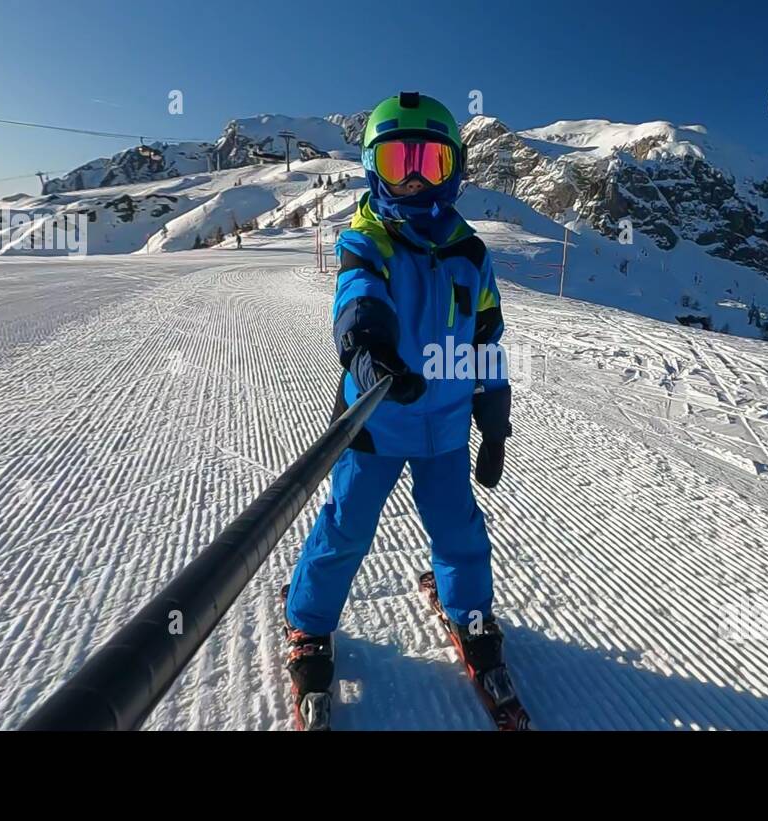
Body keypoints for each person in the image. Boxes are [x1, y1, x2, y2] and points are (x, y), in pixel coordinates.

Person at [281, 92, 512, 730]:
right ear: (372, 168)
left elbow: (486, 337)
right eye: (397, 161)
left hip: (444, 428)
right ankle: (308, 624)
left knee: (459, 531)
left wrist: (493, 421)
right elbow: (358, 300)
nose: (413, 178)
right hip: (376, 422)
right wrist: (368, 353)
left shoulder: (471, 253)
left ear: (455, 169)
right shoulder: (367, 238)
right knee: (347, 527)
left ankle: (471, 615)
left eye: (429, 163)